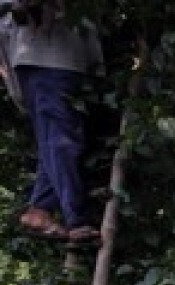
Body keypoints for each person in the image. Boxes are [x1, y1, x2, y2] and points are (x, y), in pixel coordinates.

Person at [0, 0, 105, 242]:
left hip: (62, 58)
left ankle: (40, 210)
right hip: (47, 58)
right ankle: (76, 218)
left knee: (54, 138)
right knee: (62, 141)